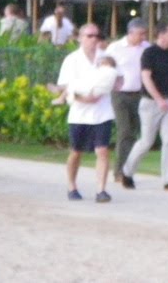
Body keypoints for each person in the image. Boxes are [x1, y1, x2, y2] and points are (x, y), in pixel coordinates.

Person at [121, 23, 168, 191]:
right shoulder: (149, 53)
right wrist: (158, 99)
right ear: (161, 35)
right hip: (151, 103)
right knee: (146, 142)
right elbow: (146, 78)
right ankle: (127, 171)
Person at [55, 23, 114, 202]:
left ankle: (101, 190)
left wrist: (102, 91)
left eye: (97, 36)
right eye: (89, 36)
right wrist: (82, 98)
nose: (94, 39)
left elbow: (113, 79)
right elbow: (65, 86)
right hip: (79, 113)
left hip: (102, 112)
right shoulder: (72, 60)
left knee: (102, 150)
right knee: (76, 151)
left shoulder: (106, 58)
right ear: (80, 38)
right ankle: (72, 185)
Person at [105, 18, 148, 188]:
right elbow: (105, 66)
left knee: (134, 133)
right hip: (120, 94)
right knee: (124, 131)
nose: (143, 37)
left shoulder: (146, 48)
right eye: (140, 34)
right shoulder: (115, 48)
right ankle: (119, 171)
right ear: (130, 33)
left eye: (144, 34)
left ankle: (128, 170)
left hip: (139, 94)